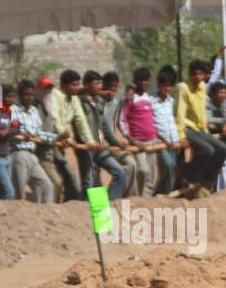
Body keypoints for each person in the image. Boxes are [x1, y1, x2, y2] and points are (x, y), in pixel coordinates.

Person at [176, 59, 226, 194]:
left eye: (200, 74)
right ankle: (187, 175)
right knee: (207, 150)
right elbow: (179, 113)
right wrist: (180, 135)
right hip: (187, 128)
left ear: (204, 75)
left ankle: (206, 181)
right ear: (190, 74)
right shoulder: (183, 87)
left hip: (200, 129)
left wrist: (206, 131)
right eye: (195, 74)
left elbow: (201, 111)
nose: (198, 77)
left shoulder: (203, 87)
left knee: (222, 149)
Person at [76, 70, 128, 200]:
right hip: (86, 148)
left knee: (119, 172)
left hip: (99, 147)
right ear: (87, 85)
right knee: (89, 182)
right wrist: (89, 143)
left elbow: (104, 126)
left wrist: (116, 142)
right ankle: (84, 211)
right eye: (96, 83)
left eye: (100, 83)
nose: (99, 86)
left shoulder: (98, 102)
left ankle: (111, 203)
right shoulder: (79, 101)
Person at [45, 69, 94, 201]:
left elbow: (80, 121)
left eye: (78, 84)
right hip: (50, 142)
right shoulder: (53, 96)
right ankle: (69, 202)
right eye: (74, 85)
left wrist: (90, 141)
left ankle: (66, 202)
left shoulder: (75, 99)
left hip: (61, 144)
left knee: (62, 174)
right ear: (64, 85)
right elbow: (54, 119)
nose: (77, 88)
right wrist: (64, 135)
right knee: (67, 174)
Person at [10, 80, 57, 203]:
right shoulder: (12, 110)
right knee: (19, 191)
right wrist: (19, 133)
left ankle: (45, 215)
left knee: (47, 186)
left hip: (32, 154)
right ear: (20, 95)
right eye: (26, 95)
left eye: (31, 95)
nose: (30, 98)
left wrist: (57, 137)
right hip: (18, 154)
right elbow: (9, 129)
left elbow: (38, 133)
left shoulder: (34, 111)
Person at [119, 67, 159, 197]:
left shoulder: (149, 98)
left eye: (146, 80)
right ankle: (136, 198)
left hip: (152, 142)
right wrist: (133, 141)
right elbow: (122, 121)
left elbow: (153, 119)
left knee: (151, 174)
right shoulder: (129, 99)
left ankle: (147, 200)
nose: (143, 83)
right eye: (140, 80)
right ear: (135, 81)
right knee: (143, 170)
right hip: (138, 142)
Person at [151, 67, 186, 195]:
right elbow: (151, 125)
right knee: (168, 166)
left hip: (174, 142)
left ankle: (160, 194)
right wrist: (163, 140)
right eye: (164, 86)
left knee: (172, 168)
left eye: (170, 86)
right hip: (160, 142)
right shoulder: (152, 102)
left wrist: (179, 138)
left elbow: (176, 121)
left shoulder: (172, 102)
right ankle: (163, 193)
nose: (167, 89)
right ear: (158, 85)